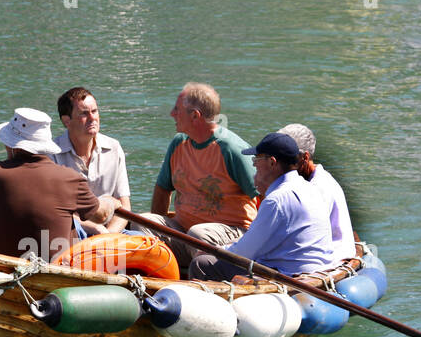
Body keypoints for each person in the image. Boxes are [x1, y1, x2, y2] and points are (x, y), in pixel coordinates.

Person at [139, 82, 257, 267]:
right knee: (144, 222)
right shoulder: (179, 144)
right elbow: (163, 189)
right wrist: (158, 230)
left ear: (195, 115)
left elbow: (266, 196)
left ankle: (211, 274)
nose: (172, 114)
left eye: (177, 109)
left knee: (198, 234)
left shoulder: (231, 150)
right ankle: (159, 272)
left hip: (230, 235)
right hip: (184, 233)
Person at [189, 132, 335, 281]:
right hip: (316, 270)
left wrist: (213, 251)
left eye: (257, 159)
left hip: (290, 276)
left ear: (272, 162)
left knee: (203, 263)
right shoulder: (309, 188)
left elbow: (243, 253)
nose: (253, 164)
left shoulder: (276, 200)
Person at [0, 108, 120, 260]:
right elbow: (101, 216)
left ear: (11, 145)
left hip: (6, 267)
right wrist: (111, 202)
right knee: (137, 234)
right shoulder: (70, 179)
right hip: (60, 270)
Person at [52, 87, 131, 236]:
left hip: (109, 232)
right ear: (66, 121)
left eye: (94, 111)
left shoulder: (114, 148)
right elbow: (57, 211)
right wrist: (94, 229)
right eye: (84, 113)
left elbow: (124, 206)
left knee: (145, 241)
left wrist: (108, 235)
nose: (92, 118)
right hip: (73, 232)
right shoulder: (52, 154)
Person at [277, 122, 357, 265]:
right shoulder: (304, 183)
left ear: (304, 158)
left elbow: (309, 235)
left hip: (330, 257)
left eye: (286, 157)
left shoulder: (319, 188)